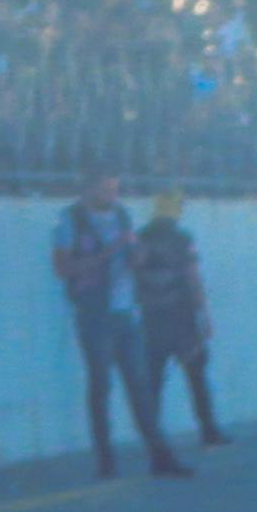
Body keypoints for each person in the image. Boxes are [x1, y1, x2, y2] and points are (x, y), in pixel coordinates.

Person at [52, 172, 188, 480]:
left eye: (115, 189)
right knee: (101, 387)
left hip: (126, 313)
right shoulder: (70, 219)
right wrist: (111, 250)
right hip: (94, 315)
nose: (112, 195)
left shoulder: (122, 214)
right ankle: (106, 460)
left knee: (141, 386)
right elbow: (63, 268)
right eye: (105, 190)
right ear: (88, 188)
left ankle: (160, 456)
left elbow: (131, 256)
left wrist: (137, 256)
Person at [131, 190, 233, 450]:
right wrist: (205, 316)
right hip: (182, 316)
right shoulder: (182, 238)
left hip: (151, 316)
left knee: (153, 379)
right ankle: (208, 431)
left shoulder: (140, 237)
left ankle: (152, 438)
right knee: (196, 376)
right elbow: (193, 278)